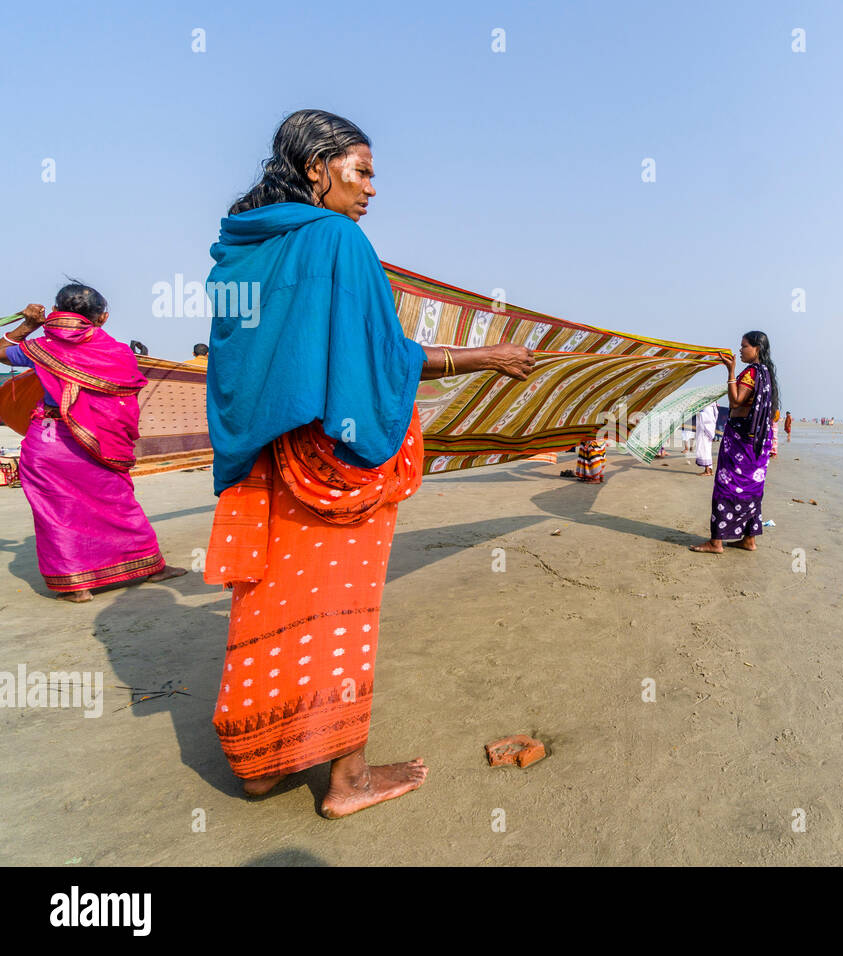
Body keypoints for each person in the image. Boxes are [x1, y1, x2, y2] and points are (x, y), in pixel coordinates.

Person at [203, 109, 535, 817]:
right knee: (342, 614)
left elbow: (244, 365)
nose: (372, 190)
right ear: (318, 168)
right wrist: (483, 355)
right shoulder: (336, 240)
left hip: (269, 466)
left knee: (272, 609)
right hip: (332, 464)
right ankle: (347, 781)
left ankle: (260, 764)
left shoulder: (244, 248)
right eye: (363, 172)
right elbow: (379, 358)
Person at [1, 289, 188, 602]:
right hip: (98, 442)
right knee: (120, 504)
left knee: (57, 513)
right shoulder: (117, 353)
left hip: (48, 443)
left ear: (56, 312)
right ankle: (151, 568)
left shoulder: (40, 347)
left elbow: (1, 351)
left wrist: (28, 325)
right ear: (103, 317)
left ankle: (77, 587)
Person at [690, 331, 778, 554]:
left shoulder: (751, 372)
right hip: (757, 439)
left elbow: (736, 399)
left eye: (744, 346)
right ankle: (749, 540)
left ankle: (716, 542)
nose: (740, 350)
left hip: (741, 440)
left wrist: (730, 372)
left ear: (756, 348)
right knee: (752, 488)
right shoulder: (766, 373)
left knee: (725, 486)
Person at [695, 401, 718, 475]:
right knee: (707, 449)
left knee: (704, 449)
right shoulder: (712, 406)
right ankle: (709, 470)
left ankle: (707, 470)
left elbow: (705, 419)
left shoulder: (707, 407)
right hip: (708, 430)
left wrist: (698, 412)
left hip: (705, 430)